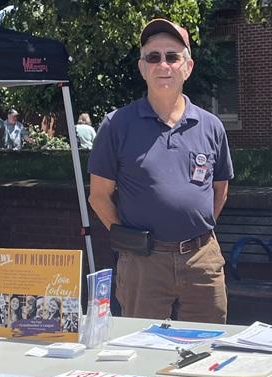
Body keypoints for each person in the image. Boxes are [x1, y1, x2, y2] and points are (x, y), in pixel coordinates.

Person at [88, 18, 233, 323]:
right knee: (140, 348)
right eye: (153, 57)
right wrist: (132, 243)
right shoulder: (116, 125)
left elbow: (219, 190)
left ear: (188, 66)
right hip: (143, 262)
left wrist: (192, 229)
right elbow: (99, 196)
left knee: (208, 348)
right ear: (142, 68)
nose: (162, 64)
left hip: (201, 260)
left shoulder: (211, 126)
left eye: (172, 56)